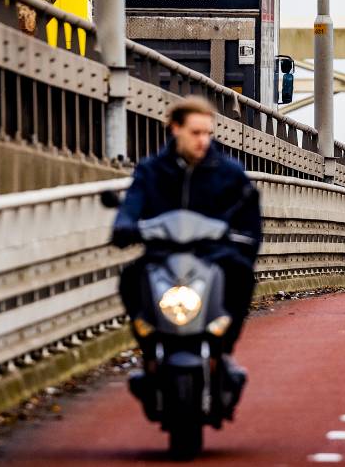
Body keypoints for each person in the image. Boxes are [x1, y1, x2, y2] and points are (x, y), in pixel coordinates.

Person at [112, 96, 262, 364]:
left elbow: (249, 217)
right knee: (130, 279)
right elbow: (132, 204)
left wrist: (245, 242)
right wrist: (124, 226)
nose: (203, 140)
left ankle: (222, 348)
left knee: (241, 276)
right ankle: (149, 349)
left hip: (213, 255)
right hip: (163, 255)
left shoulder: (229, 172)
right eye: (196, 133)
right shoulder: (151, 170)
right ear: (176, 128)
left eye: (207, 133)